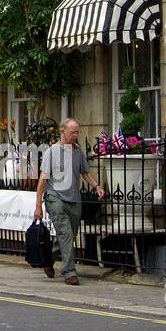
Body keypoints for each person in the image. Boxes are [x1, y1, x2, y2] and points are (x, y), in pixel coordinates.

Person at [34, 117, 105, 285]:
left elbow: (85, 172)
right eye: (72, 132)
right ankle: (69, 272)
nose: (75, 135)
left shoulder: (78, 151)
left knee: (69, 236)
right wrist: (38, 205)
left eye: (77, 132)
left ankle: (47, 259)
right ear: (62, 131)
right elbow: (43, 179)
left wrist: (96, 186)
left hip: (74, 199)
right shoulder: (52, 152)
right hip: (55, 198)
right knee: (66, 234)